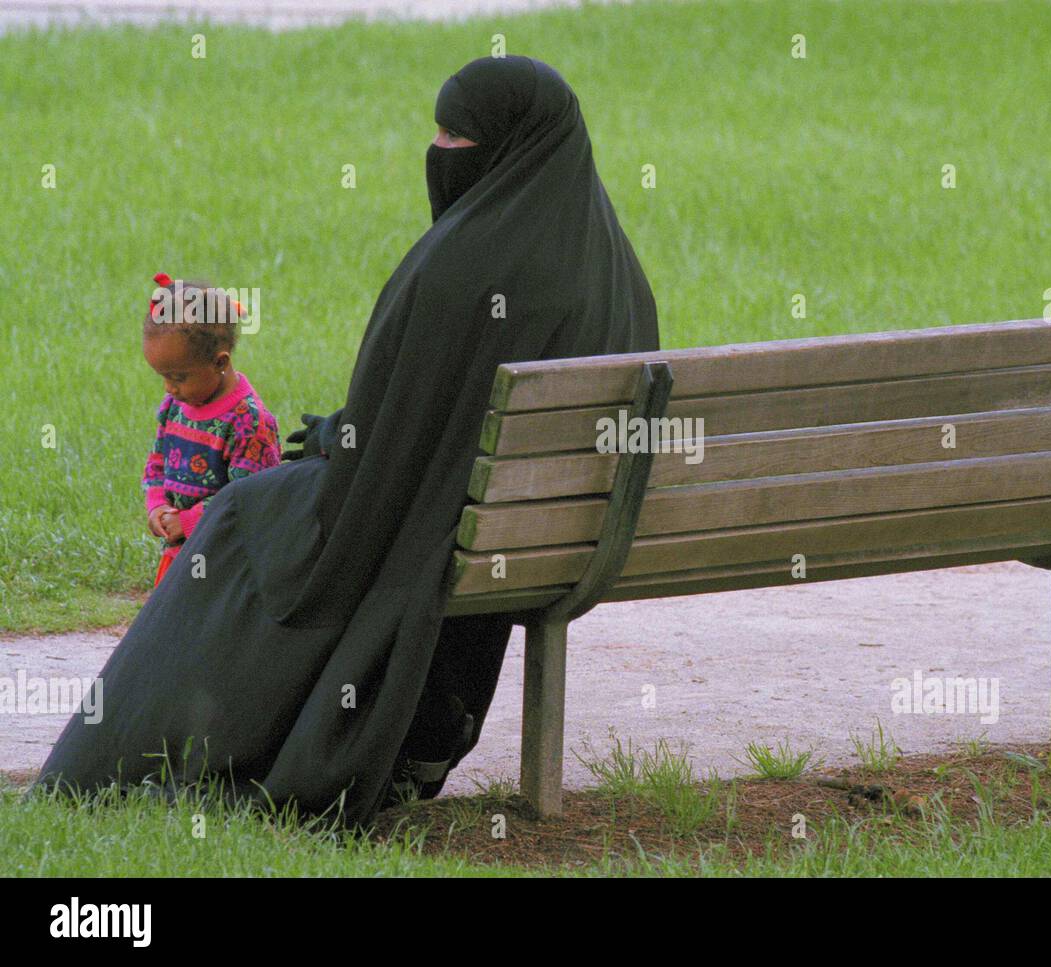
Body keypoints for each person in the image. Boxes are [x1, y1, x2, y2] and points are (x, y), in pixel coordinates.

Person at [37, 55, 660, 826]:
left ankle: (117, 758)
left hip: (440, 537)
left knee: (238, 518)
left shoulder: (459, 271)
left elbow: (381, 460)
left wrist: (333, 436)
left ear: (506, 146)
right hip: (565, 537)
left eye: (455, 136)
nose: (439, 151)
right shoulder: (619, 274)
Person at [141, 273, 281, 586]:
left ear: (220, 362)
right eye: (162, 376)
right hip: (179, 557)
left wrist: (188, 522)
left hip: (228, 568)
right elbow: (157, 464)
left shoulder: (249, 421)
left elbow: (251, 500)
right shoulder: (174, 407)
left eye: (178, 377)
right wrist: (158, 507)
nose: (168, 388)